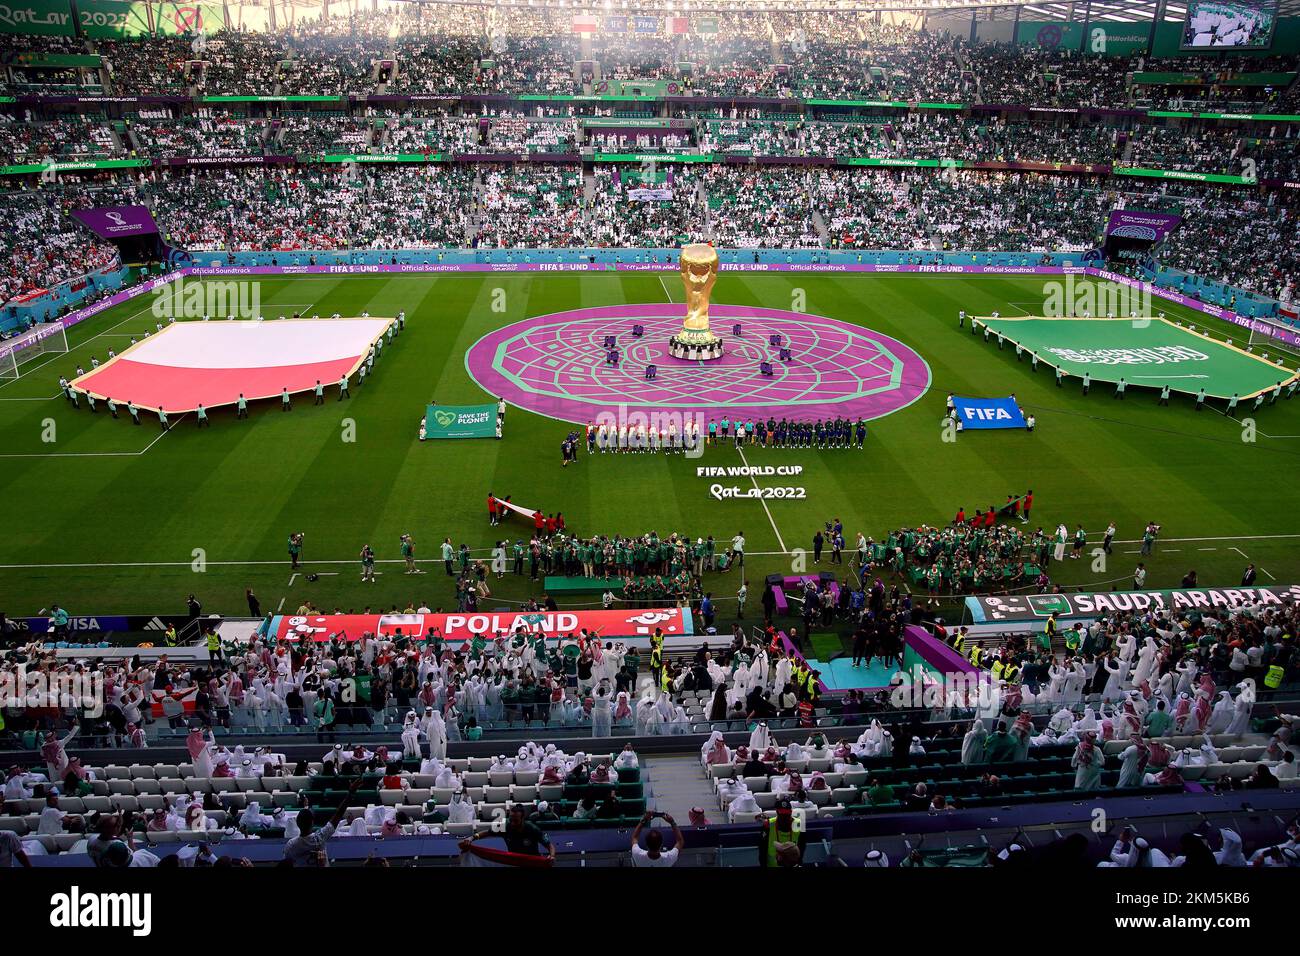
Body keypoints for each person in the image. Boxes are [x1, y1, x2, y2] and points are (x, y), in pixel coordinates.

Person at [283, 778, 363, 866]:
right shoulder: (319, 837)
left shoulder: (290, 845)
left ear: (297, 824)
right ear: (312, 823)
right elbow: (338, 815)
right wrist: (350, 793)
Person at [461, 806, 555, 860]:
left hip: (532, 860)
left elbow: (549, 845)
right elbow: (487, 832)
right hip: (514, 861)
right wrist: (472, 838)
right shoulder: (505, 826)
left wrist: (552, 856)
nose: (513, 823)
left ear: (523, 818)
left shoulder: (532, 829)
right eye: (511, 820)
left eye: (516, 820)